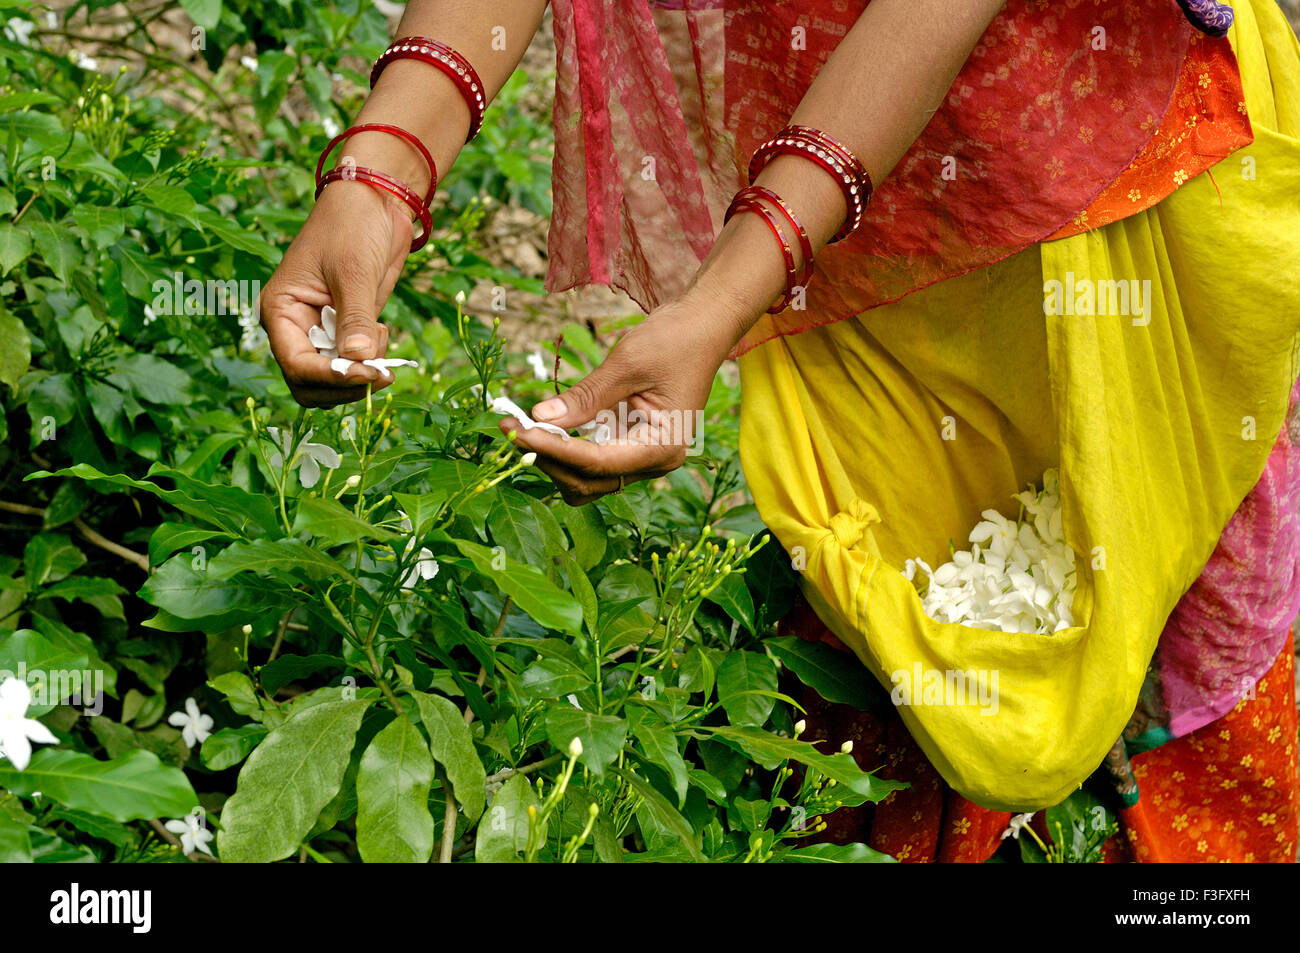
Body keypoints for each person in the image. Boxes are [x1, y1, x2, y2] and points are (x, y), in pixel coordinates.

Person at [261, 0, 1300, 861]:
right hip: (852, 233)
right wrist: (383, 169)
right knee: (882, 659)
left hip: (1104, 188)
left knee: (1160, 681)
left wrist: (724, 303)